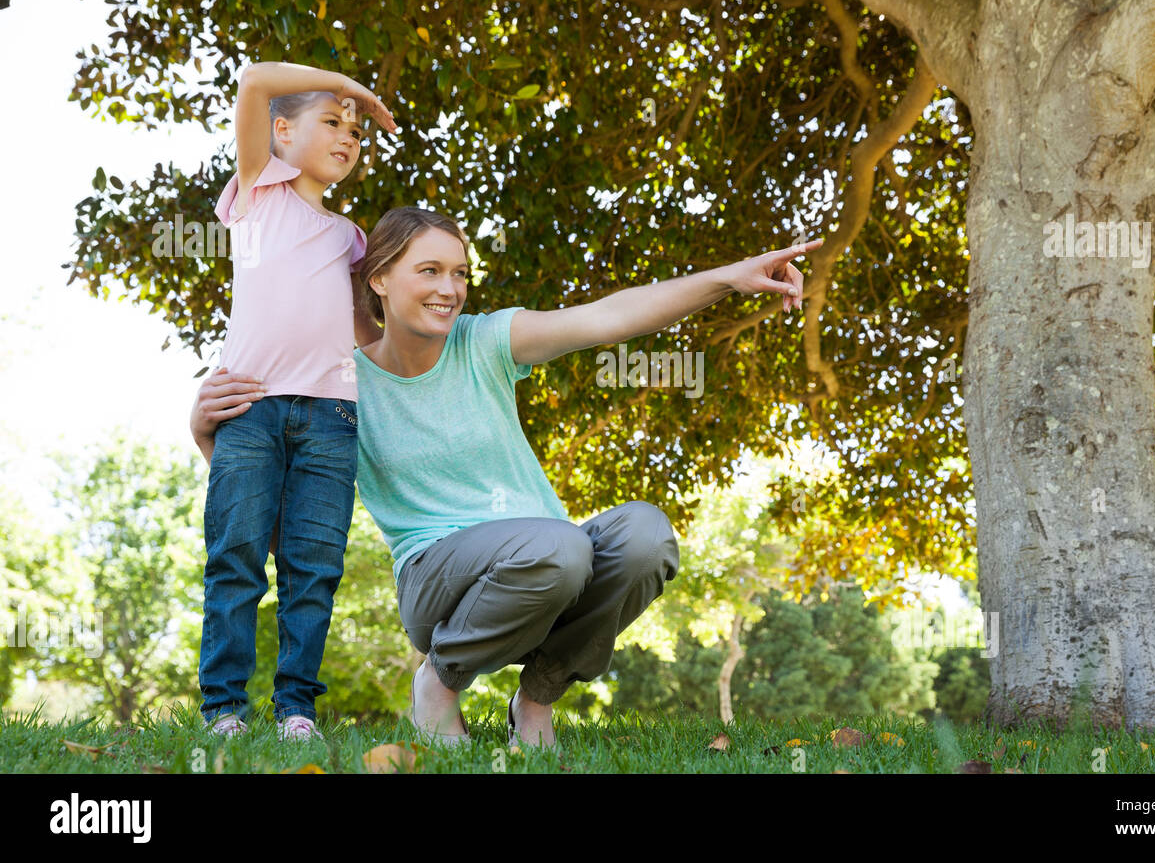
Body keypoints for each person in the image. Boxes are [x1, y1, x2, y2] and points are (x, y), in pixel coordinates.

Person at [191, 205, 823, 748]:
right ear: (379, 279)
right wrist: (205, 434)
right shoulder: (340, 384)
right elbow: (276, 527)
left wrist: (728, 279)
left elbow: (610, 317)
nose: (451, 287)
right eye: (430, 271)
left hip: (550, 564)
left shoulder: (486, 342)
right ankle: (439, 680)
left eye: (460, 272)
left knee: (646, 535)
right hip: (438, 580)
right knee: (560, 545)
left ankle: (537, 700)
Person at [191, 59, 395, 741]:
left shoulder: (350, 238)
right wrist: (356, 84)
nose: (348, 135)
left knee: (313, 568)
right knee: (236, 557)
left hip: (332, 419)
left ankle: (297, 709)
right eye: (333, 121)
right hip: (251, 409)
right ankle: (223, 708)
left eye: (357, 130)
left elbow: (367, 336)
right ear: (281, 132)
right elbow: (252, 78)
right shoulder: (257, 193)